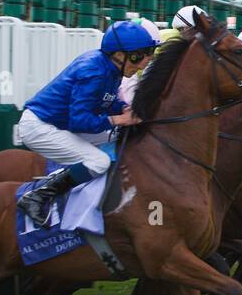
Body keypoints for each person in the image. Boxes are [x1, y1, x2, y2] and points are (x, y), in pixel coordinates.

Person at [16, 19, 158, 226]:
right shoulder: (94, 71)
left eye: (149, 53)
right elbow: (80, 121)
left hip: (58, 123)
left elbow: (106, 101)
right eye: (140, 54)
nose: (146, 60)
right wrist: (119, 119)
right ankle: (37, 196)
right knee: (98, 162)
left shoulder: (113, 69)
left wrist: (122, 109)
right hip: (40, 127)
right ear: (119, 54)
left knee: (120, 136)